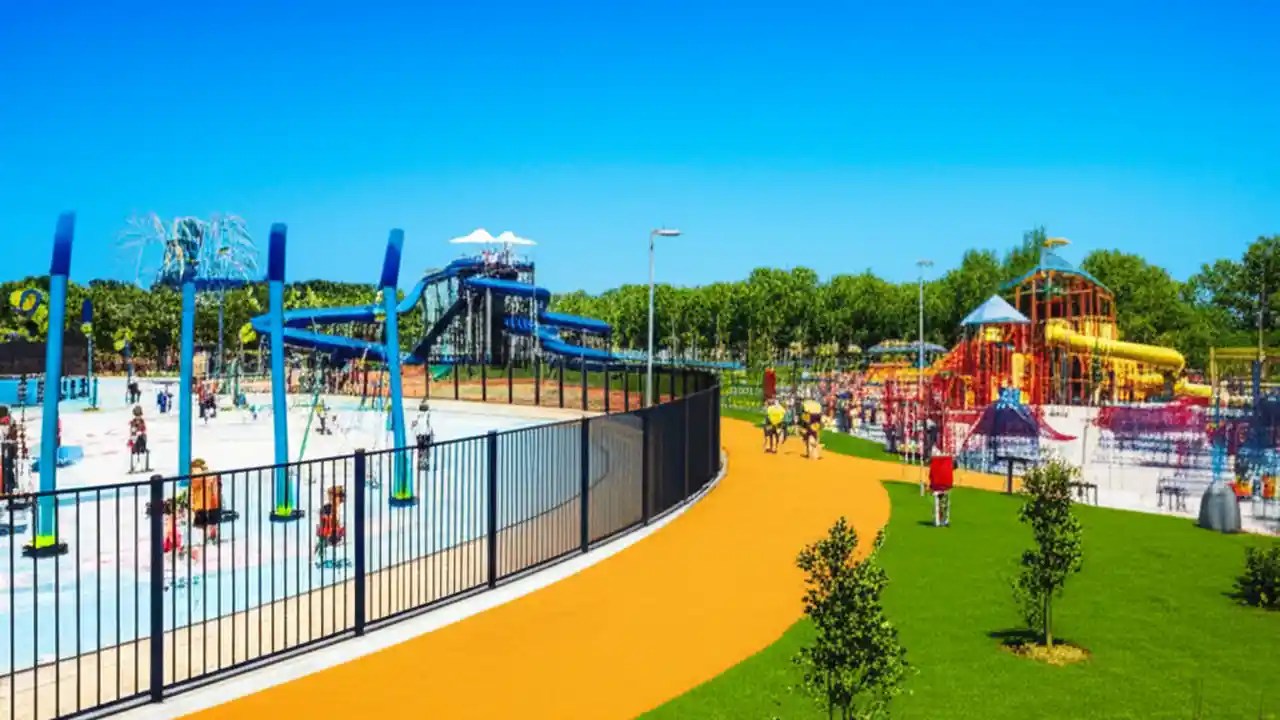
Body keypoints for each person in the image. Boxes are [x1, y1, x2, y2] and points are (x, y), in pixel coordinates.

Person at [411, 400, 434, 470]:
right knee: (426, 450)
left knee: (420, 450)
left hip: (419, 435)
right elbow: (429, 426)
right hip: (426, 435)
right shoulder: (428, 415)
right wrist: (432, 435)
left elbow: (413, 426)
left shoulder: (417, 416)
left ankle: (421, 464)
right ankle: (425, 464)